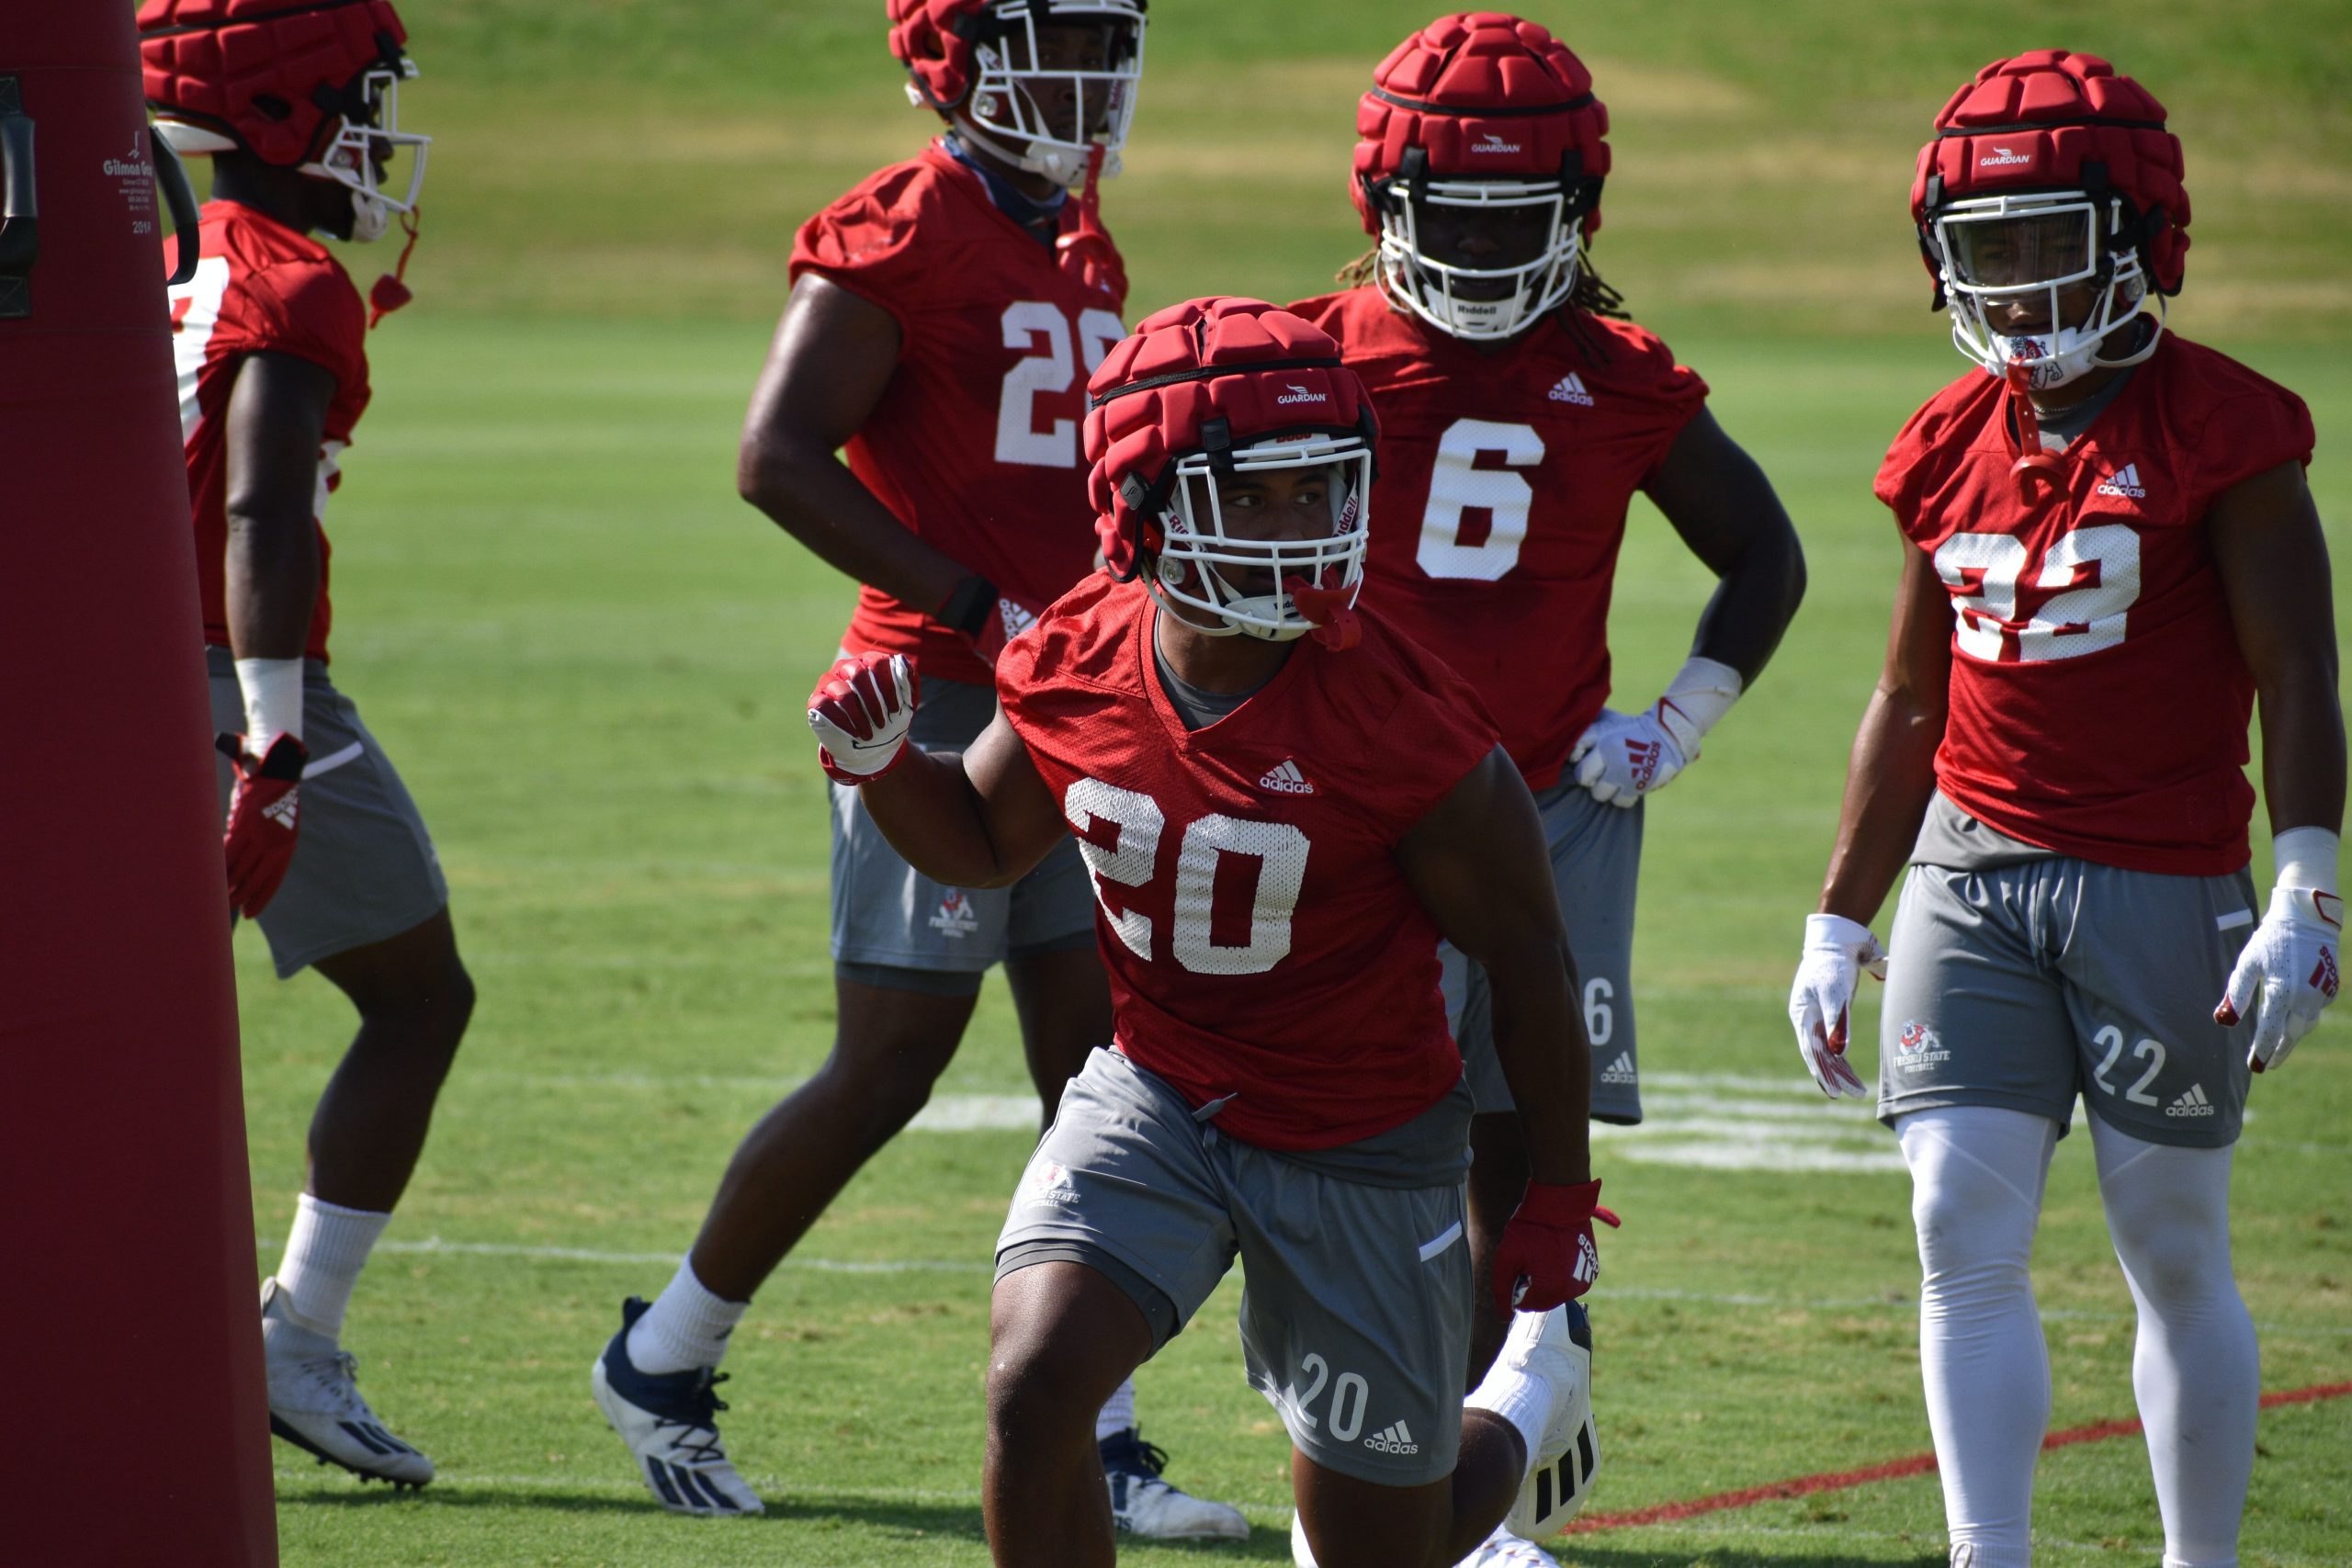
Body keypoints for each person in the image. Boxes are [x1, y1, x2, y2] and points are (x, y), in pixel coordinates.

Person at [806, 295, 1615, 1568]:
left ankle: (1521, 1407)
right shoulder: (1079, 650)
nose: (1304, 535)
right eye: (1261, 499)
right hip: (1160, 1095)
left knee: (1376, 1549)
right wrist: (881, 763)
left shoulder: (1403, 718)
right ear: (1142, 506)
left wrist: (1556, 1198)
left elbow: (1528, 964)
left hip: (1360, 1138)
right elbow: (979, 840)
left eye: (1324, 492)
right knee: (1033, 1386)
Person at [589, 1, 1241, 1535]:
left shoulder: (1080, 239)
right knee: (890, 1062)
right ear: (957, 59)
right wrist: (968, 601)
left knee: (1103, 1071)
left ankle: (1101, 1433)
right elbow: (775, 457)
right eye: (1050, 48)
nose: (1087, 84)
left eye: (1105, 46)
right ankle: (664, 1358)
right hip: (928, 707)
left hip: (1073, 704)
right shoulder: (901, 230)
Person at [1787, 50, 2339, 1568]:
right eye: (1989, 246)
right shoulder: (1946, 438)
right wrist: (1839, 916)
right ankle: (1992, 1553)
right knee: (1956, 1235)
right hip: (1970, 874)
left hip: (2160, 877)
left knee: (2172, 1251)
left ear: (2139, 236)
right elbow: (1910, 699)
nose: (2018, 281)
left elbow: (2299, 677)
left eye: (2049, 239)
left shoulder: (2227, 431)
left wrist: (2306, 891)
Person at [1289, 19, 1804, 1560]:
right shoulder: (1312, 357)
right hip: (1364, 815)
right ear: (1386, 205)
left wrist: (1681, 717)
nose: (1481, 250)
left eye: (1517, 223)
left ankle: (1472, 1482)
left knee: (1521, 1164)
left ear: (1577, 212)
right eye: (1453, 217)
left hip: (1543, 808)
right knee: (1377, 1158)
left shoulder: (1619, 375)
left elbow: (1763, 556)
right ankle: (1390, 1484)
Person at [141, 0, 461, 1490]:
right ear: (281, 116)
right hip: (235, 680)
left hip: (109, 669)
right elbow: (262, 509)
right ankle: (294, 1340)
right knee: (419, 996)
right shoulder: (294, 279)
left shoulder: (147, 256)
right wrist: (270, 731)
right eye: (362, 99)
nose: (384, 131)